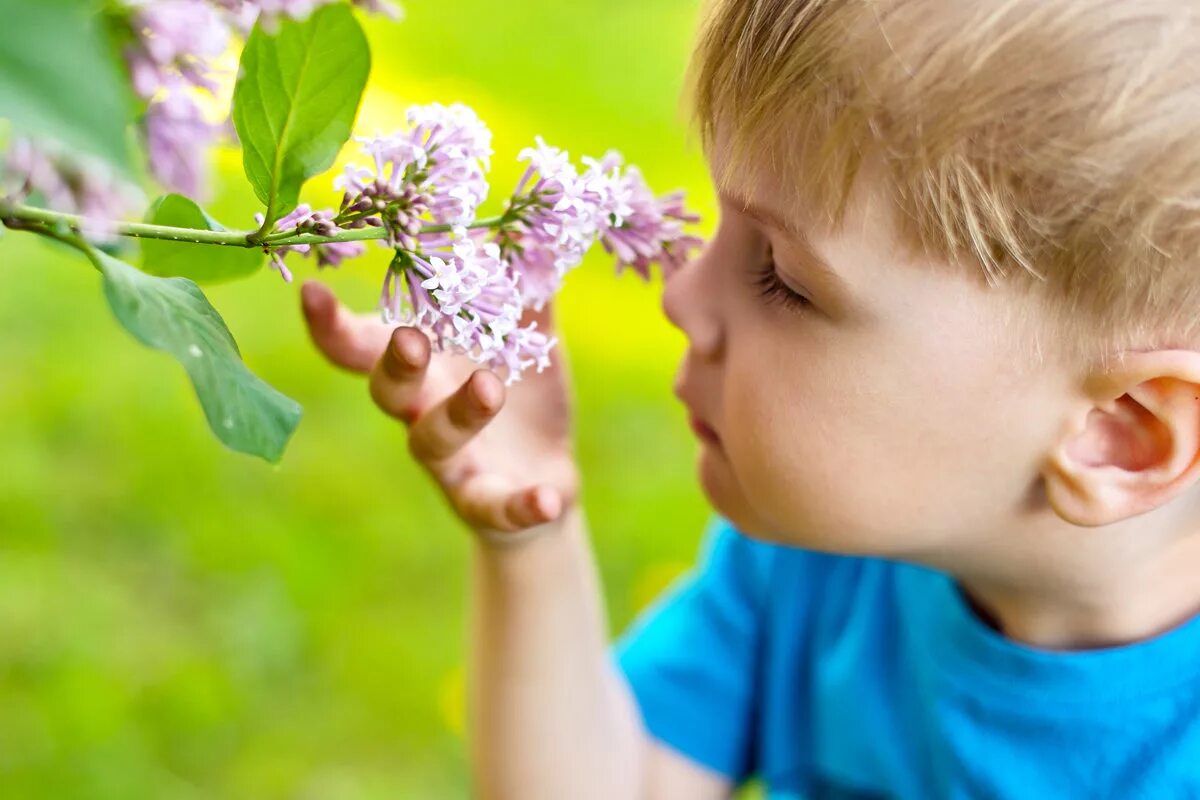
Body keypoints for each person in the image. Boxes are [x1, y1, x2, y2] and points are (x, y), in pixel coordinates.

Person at [299, 0, 1200, 796]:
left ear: (1117, 435)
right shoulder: (819, 568)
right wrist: (532, 537)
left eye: (783, 278)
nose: (682, 296)